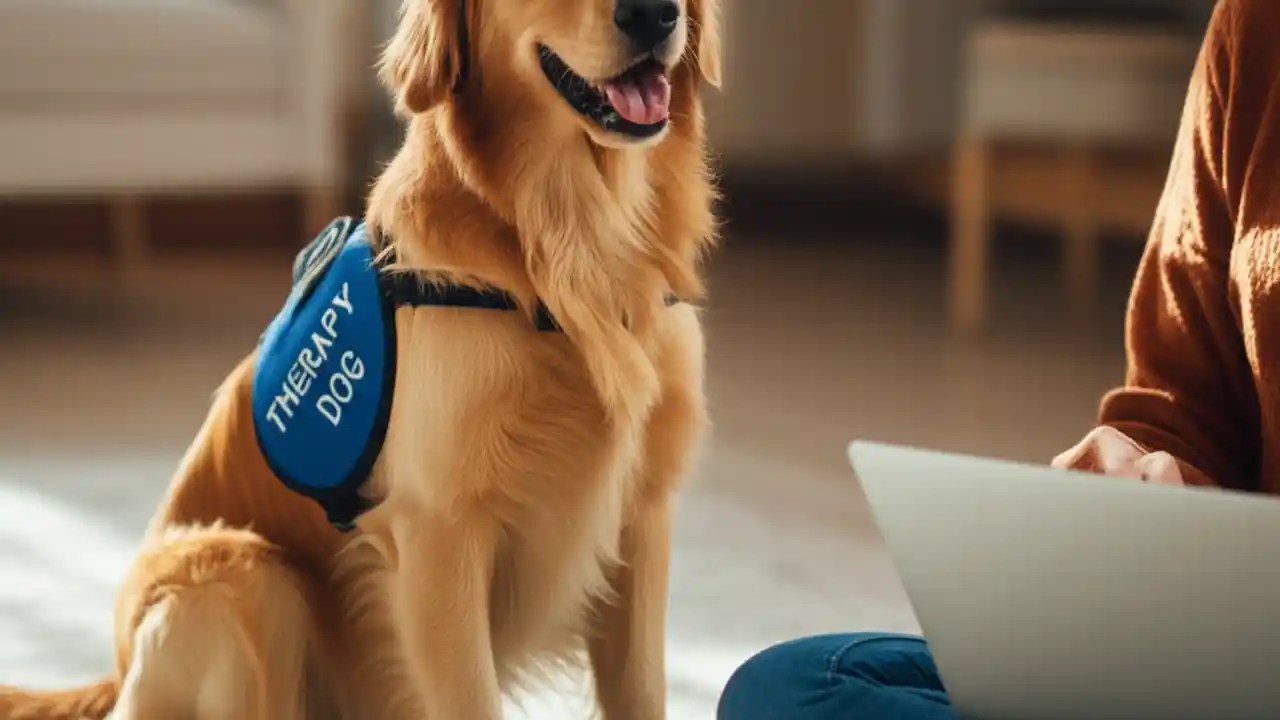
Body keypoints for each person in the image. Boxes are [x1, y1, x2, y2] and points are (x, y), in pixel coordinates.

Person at [718, 0, 1280, 717]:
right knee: (794, 688)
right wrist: (1133, 483)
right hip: (1239, 651)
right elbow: (1183, 407)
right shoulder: (1257, 26)